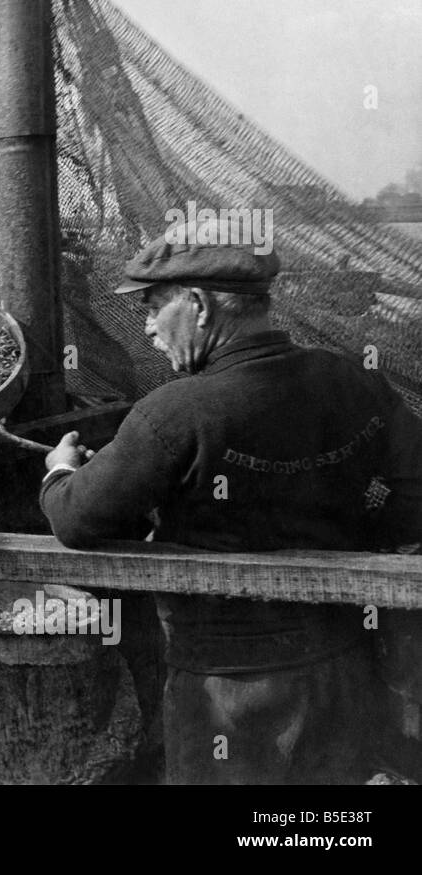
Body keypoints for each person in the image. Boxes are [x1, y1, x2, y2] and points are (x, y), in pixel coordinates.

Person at [38, 233, 422, 784]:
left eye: (151, 306)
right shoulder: (352, 381)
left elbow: (76, 520)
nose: (146, 327)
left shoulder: (175, 413)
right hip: (344, 664)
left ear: (197, 303)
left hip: (229, 686)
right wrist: (359, 530)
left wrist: (62, 471)